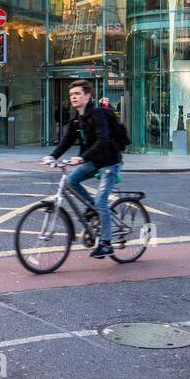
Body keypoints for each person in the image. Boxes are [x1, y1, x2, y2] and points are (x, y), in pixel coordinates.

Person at [43, 79, 123, 259]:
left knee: (102, 200)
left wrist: (82, 157)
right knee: (71, 181)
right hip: (94, 161)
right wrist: (53, 156)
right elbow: (67, 140)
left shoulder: (97, 114)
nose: (73, 97)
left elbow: (103, 140)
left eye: (77, 94)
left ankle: (106, 243)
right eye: (71, 95)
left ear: (87, 96)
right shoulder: (77, 118)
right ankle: (94, 208)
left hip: (109, 161)